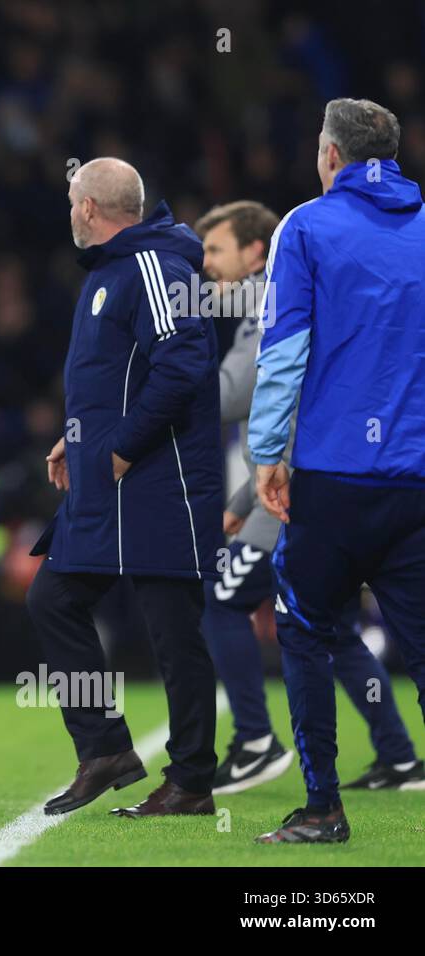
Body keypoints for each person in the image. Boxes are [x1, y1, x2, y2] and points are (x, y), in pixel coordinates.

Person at [196, 200, 422, 795]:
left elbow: (233, 394)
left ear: (254, 253)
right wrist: (244, 499)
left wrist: (162, 379)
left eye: (215, 251)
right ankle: (399, 757)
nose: (206, 267)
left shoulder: (269, 301)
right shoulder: (309, 294)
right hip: (319, 483)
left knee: (221, 603)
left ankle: (254, 742)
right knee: (335, 629)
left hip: (295, 493)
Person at [27, 157, 223, 817]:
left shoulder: (154, 266)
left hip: (160, 480)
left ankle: (192, 780)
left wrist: (122, 447)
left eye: (72, 201)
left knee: (173, 628)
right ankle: (105, 747)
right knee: (54, 596)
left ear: (88, 208)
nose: (70, 212)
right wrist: (77, 436)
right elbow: (121, 374)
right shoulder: (115, 269)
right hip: (113, 476)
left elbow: (183, 365)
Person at [251, 98, 425, 844]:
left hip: (334, 475)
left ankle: (323, 808)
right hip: (416, 477)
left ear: (330, 155)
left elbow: (284, 350)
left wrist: (266, 454)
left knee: (305, 629)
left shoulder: (309, 226)